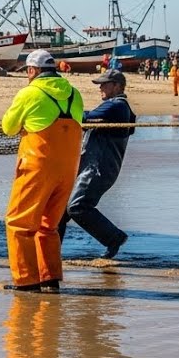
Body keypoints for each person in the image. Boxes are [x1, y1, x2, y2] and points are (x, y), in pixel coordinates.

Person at [0, 49, 85, 293]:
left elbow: (8, 127)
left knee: (19, 223)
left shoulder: (29, 93)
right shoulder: (74, 94)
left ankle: (26, 282)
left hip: (37, 166)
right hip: (68, 169)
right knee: (48, 225)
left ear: (32, 71)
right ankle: (50, 279)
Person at [58, 69, 136, 259]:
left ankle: (114, 238)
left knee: (77, 206)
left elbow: (83, 117)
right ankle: (50, 252)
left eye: (104, 84)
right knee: (60, 210)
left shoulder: (116, 106)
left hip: (98, 169)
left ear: (117, 86)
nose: (100, 88)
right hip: (93, 167)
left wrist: (57, 112)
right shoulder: (117, 107)